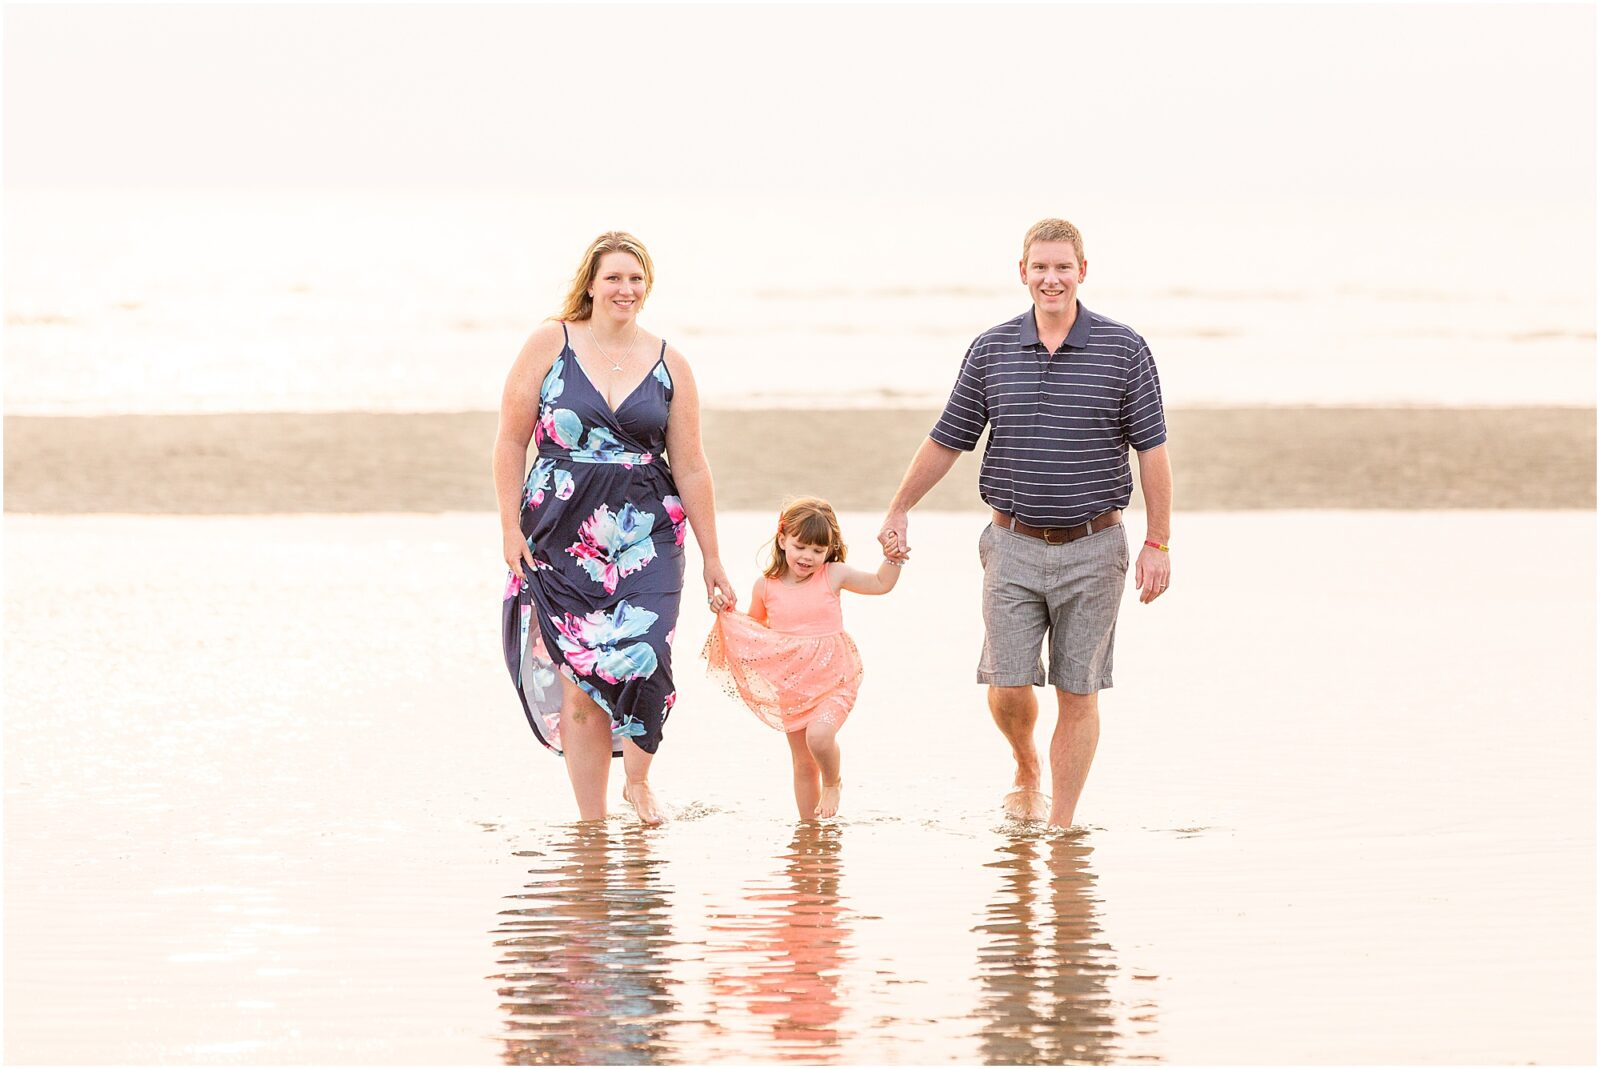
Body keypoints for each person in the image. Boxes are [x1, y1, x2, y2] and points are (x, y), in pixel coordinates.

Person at [876, 217, 1173, 830]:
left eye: (1063, 267)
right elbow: (948, 438)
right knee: (1008, 685)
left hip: (1096, 546)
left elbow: (1152, 452)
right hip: (1011, 543)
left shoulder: (1124, 349)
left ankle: (1061, 825)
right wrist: (900, 506)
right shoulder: (991, 350)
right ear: (1023, 273)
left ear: (1082, 271)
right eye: (1040, 267)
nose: (1051, 278)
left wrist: (1158, 542)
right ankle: (1025, 763)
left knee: (1078, 690)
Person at [495, 231, 736, 826]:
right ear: (591, 284)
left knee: (646, 656)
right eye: (614, 278)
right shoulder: (550, 343)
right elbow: (510, 440)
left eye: (635, 279)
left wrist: (713, 557)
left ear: (646, 287)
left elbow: (692, 465)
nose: (625, 289)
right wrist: (508, 527)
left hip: (648, 532)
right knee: (581, 674)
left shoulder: (670, 363)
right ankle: (592, 823)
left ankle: (639, 781)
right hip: (559, 532)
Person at [702, 497, 901, 819]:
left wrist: (892, 558)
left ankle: (833, 782)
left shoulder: (833, 574)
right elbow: (756, 629)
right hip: (791, 684)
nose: (808, 556)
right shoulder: (765, 587)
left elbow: (880, 583)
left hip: (834, 679)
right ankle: (809, 831)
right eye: (800, 546)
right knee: (803, 762)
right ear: (782, 540)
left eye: (818, 550)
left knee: (819, 738)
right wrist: (727, 613)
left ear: (829, 550)